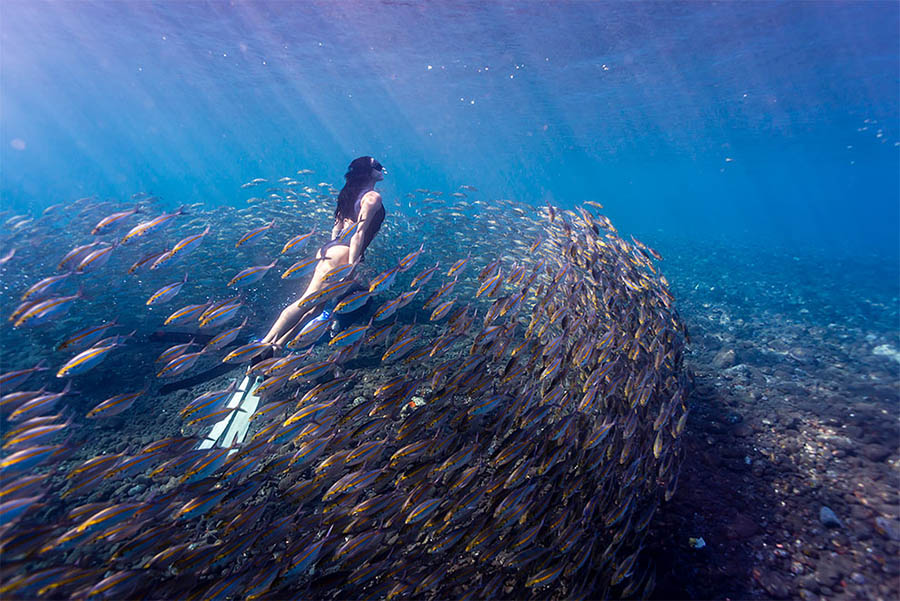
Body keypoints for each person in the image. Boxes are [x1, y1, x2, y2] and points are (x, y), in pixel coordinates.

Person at [260, 156, 386, 351]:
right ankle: (264, 345)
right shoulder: (372, 197)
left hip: (333, 249)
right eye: (377, 166)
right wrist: (351, 266)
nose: (382, 169)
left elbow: (336, 229)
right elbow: (358, 233)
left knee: (316, 307)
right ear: (367, 171)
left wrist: (331, 250)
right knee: (307, 301)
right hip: (342, 254)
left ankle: (277, 346)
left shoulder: (350, 194)